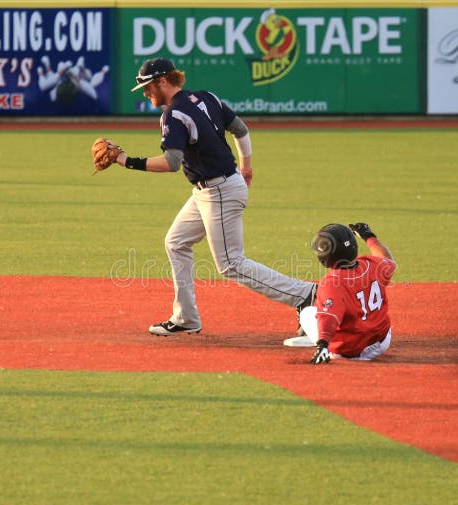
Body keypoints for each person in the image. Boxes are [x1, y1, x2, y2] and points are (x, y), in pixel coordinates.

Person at [98, 57, 316, 335]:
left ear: (163, 81)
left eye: (148, 86)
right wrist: (246, 167)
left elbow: (172, 162)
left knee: (231, 264)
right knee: (176, 242)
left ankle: (305, 295)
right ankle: (185, 318)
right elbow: (240, 129)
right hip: (211, 188)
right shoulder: (206, 97)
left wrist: (126, 160)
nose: (145, 92)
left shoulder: (174, 114)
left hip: (219, 191)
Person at [298, 222, 396, 364]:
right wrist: (369, 237)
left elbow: (329, 317)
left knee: (307, 313)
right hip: (382, 341)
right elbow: (388, 260)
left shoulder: (332, 282)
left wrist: (322, 345)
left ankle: (330, 350)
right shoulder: (371, 264)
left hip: (350, 351)